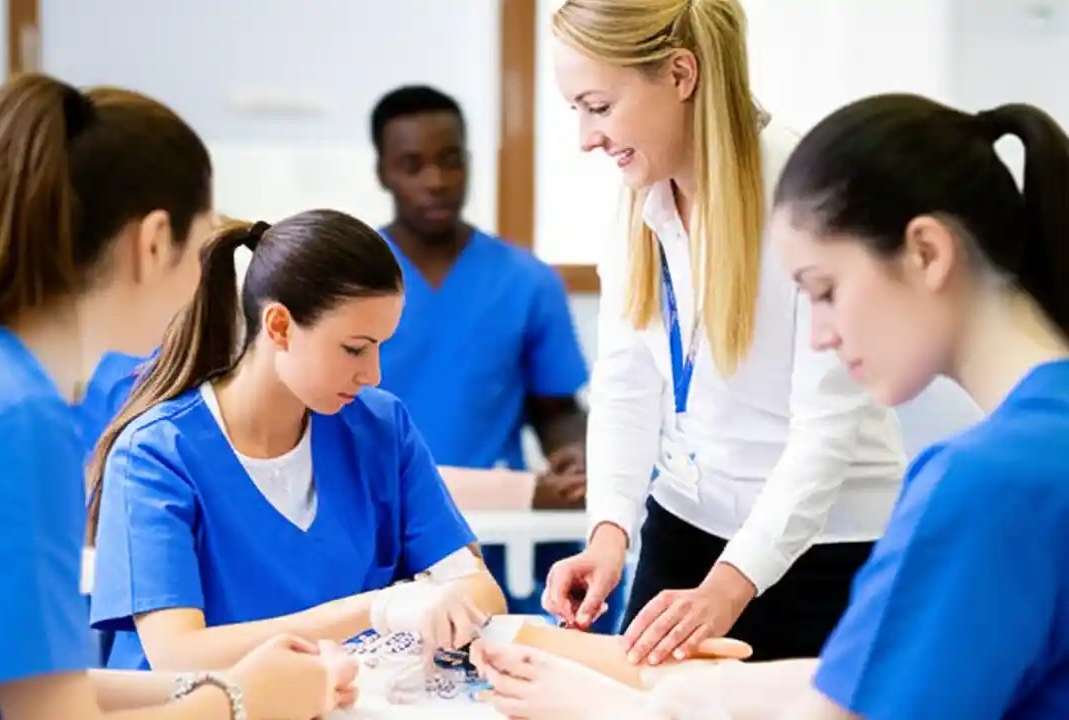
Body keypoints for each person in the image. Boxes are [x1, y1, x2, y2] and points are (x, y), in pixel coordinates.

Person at [475, 93, 1069, 719]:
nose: (819, 335)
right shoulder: (1036, 444)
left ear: (926, 252)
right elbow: (869, 679)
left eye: (825, 290)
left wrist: (616, 711)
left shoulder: (987, 483)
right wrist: (682, 694)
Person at [0, 73, 354, 719]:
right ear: (151, 242)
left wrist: (234, 682)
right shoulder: (7, 414)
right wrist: (244, 704)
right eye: (202, 251)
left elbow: (39, 685)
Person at [542, 0, 907, 664]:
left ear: (680, 74)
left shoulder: (812, 197)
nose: (586, 138)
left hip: (827, 547)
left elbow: (826, 427)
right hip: (687, 525)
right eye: (577, 111)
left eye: (598, 106)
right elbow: (627, 386)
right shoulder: (639, 200)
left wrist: (728, 588)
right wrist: (608, 531)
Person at [86, 210, 508, 672]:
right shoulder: (155, 454)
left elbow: (480, 590)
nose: (373, 374)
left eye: (380, 346)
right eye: (355, 348)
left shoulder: (381, 429)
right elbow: (178, 654)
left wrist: (446, 605)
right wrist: (376, 610)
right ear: (280, 327)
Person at [370, 85, 612, 628]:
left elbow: (556, 408)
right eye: (412, 165)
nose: (435, 180)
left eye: (450, 161)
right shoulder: (350, 279)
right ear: (383, 172)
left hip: (499, 532)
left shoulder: (525, 280)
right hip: (378, 527)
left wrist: (573, 453)